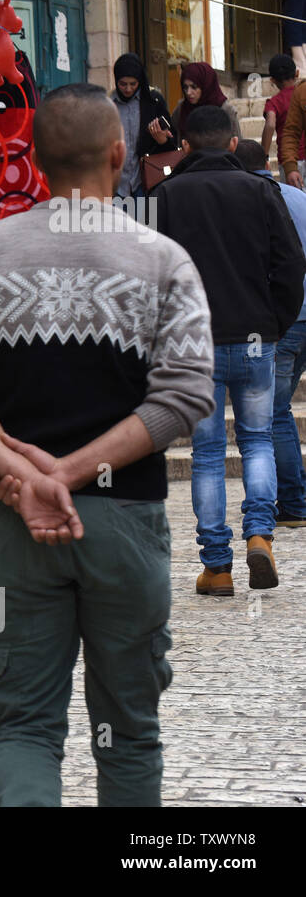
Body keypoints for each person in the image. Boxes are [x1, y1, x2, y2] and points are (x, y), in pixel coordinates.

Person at [0, 82, 216, 807]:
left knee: (22, 724)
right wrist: (75, 470)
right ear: (119, 155)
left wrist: (17, 470)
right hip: (125, 529)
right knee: (130, 729)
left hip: (8, 527)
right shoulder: (161, 260)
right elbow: (185, 394)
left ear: (38, 159)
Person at [150, 105, 306, 595]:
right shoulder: (263, 190)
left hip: (193, 345)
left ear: (188, 146)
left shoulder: (165, 196)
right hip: (258, 338)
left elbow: (149, 275)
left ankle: (217, 566)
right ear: (234, 143)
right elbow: (291, 264)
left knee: (208, 453)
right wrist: (276, 322)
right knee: (258, 439)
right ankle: (260, 533)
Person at [234, 139, 306, 527]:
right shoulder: (298, 195)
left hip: (285, 320)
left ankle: (294, 501)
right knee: (279, 409)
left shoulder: (251, 200)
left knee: (274, 412)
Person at [111, 53, 178, 199]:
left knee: (146, 221)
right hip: (115, 186)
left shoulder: (153, 101)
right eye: (123, 84)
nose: (128, 89)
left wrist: (162, 140)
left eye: (133, 84)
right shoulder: (108, 104)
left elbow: (172, 145)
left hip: (146, 182)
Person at [172, 61, 242, 143]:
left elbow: (237, 144)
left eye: (194, 87)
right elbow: (173, 138)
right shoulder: (182, 108)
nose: (188, 92)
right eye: (185, 87)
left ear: (206, 85)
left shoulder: (225, 109)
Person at [261, 54, 303, 184]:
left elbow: (270, 124)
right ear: (297, 73)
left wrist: (264, 156)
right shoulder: (302, 95)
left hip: (289, 162)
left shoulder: (274, 102)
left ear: (272, 80)